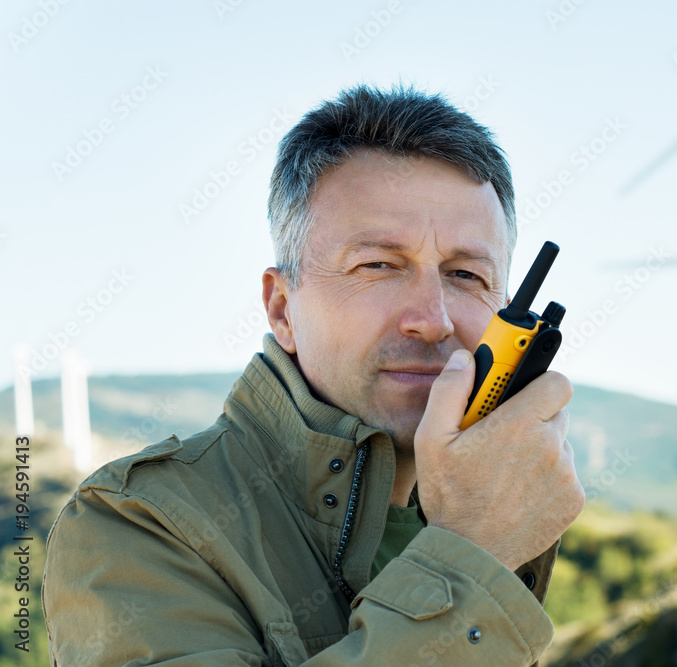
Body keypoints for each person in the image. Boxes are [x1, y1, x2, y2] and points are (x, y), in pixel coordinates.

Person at [42, 84, 585, 666]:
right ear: (282, 309)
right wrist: (473, 553)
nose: (432, 320)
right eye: (377, 265)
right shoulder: (134, 524)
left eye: (466, 275)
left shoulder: (507, 509)